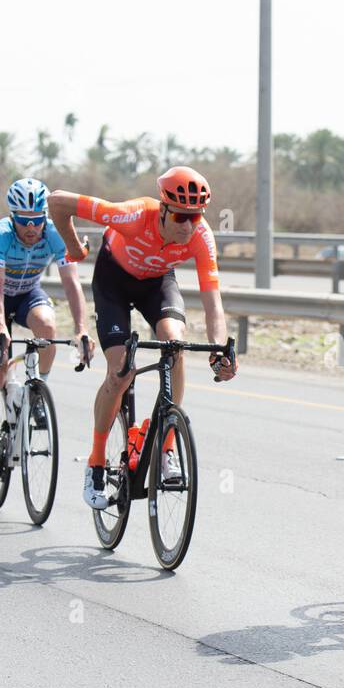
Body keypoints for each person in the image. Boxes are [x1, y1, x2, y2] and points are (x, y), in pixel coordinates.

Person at [47, 166, 236, 510]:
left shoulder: (201, 236)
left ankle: (164, 444)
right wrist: (74, 248)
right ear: (163, 208)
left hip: (157, 284)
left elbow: (213, 304)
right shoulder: (132, 214)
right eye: (180, 216)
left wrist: (220, 352)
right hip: (113, 282)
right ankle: (96, 461)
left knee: (175, 343)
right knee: (120, 370)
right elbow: (57, 202)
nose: (187, 225)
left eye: (195, 217)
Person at [0, 177, 93, 493]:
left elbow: (71, 283)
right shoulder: (0, 234)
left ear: (44, 217)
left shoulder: (54, 234)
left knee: (48, 329)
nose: (31, 228)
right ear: (13, 218)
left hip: (28, 293)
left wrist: (81, 328)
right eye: (24, 222)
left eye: (36, 221)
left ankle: (37, 393)